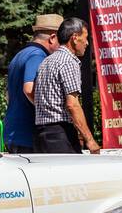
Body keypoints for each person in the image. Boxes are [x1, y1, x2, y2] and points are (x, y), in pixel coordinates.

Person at [33, 17, 101, 154]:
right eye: (85, 38)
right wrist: (90, 140)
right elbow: (72, 105)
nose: (87, 43)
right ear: (75, 38)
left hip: (40, 134)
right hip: (60, 135)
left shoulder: (46, 61)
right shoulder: (69, 62)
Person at [5, 15, 61, 153]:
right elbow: (29, 89)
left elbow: (9, 94)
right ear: (52, 38)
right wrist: (50, 111)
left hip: (14, 133)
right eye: (62, 40)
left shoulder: (21, 55)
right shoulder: (38, 55)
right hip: (27, 136)